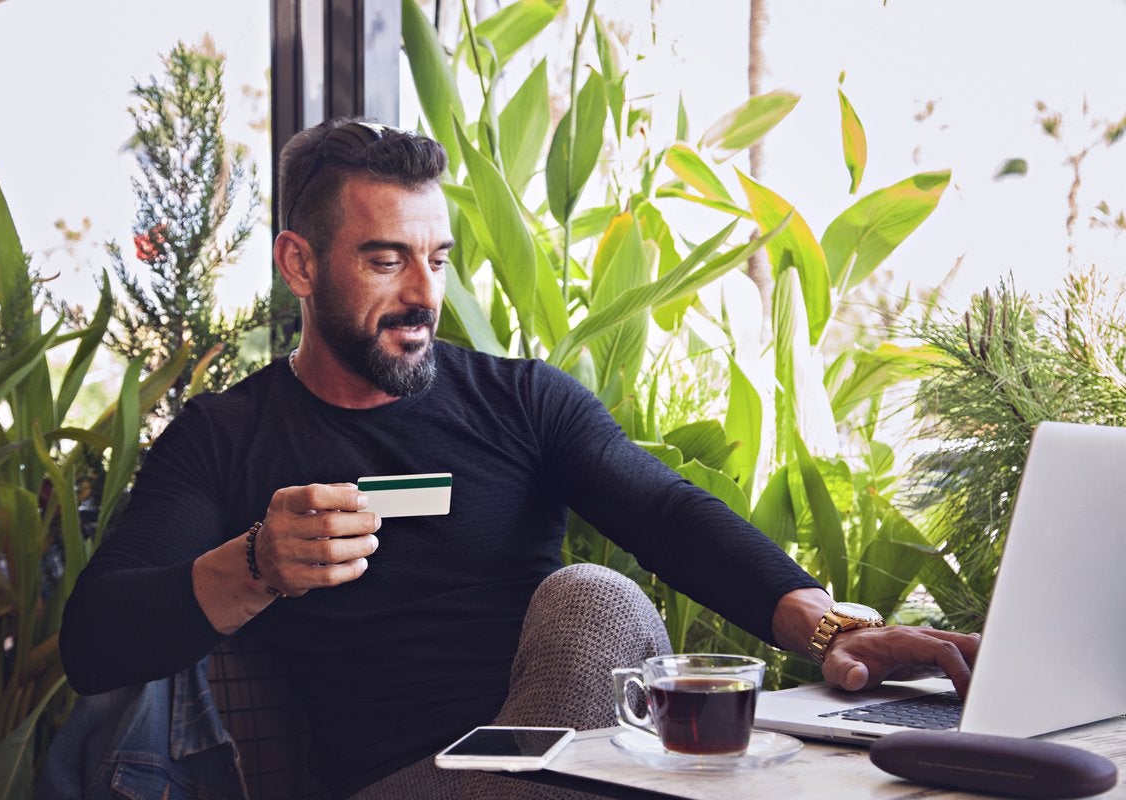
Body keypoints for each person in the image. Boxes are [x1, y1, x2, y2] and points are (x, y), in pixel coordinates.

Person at [59, 118, 979, 798]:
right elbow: (97, 642)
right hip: (401, 783)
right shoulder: (224, 439)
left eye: (439, 259)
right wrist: (254, 565)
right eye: (386, 261)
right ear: (299, 265)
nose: (425, 294)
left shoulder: (520, 400)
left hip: (569, 759)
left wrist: (829, 630)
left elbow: (662, 510)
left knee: (595, 599)